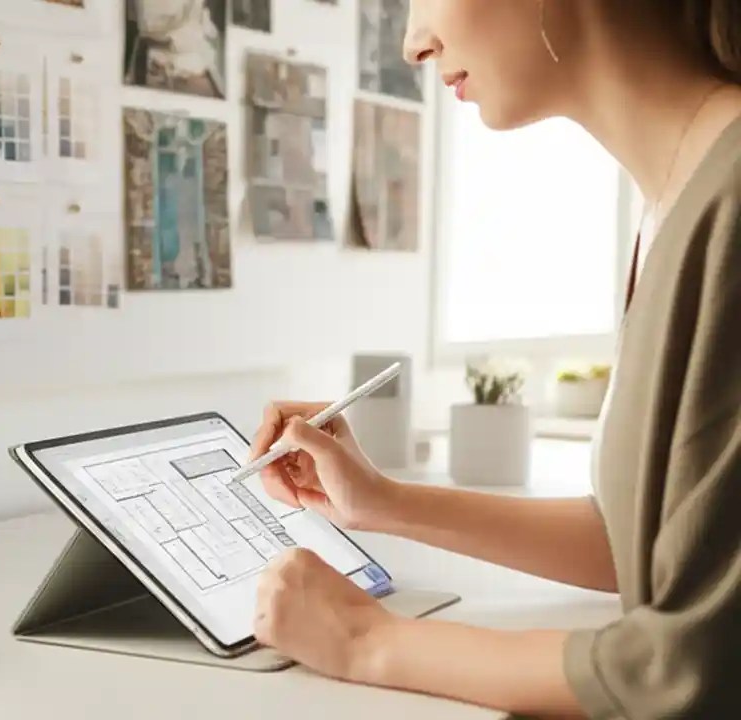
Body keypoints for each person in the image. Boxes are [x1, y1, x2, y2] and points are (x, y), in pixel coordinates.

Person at [248, 1, 741, 717]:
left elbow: (687, 669)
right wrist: (383, 503)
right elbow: (642, 542)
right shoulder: (680, 190)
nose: (415, 43)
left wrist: (366, 641)